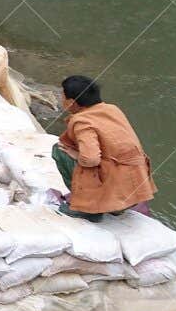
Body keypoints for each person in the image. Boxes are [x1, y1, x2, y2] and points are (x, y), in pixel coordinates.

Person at [52, 75, 157, 220]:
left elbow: (90, 160)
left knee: (60, 150)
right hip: (135, 191)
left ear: (71, 102)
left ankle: (89, 209)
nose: (61, 99)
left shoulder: (81, 121)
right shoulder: (112, 109)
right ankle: (116, 204)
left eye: (62, 96)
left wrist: (76, 155)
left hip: (115, 183)